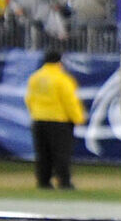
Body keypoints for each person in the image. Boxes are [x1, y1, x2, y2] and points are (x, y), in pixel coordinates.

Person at [24, 49, 85, 189]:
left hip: (39, 120)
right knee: (61, 153)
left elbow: (29, 99)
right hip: (59, 121)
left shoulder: (35, 77)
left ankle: (43, 181)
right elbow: (69, 101)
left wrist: (36, 113)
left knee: (43, 154)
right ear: (60, 62)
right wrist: (77, 118)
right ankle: (64, 182)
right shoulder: (62, 79)